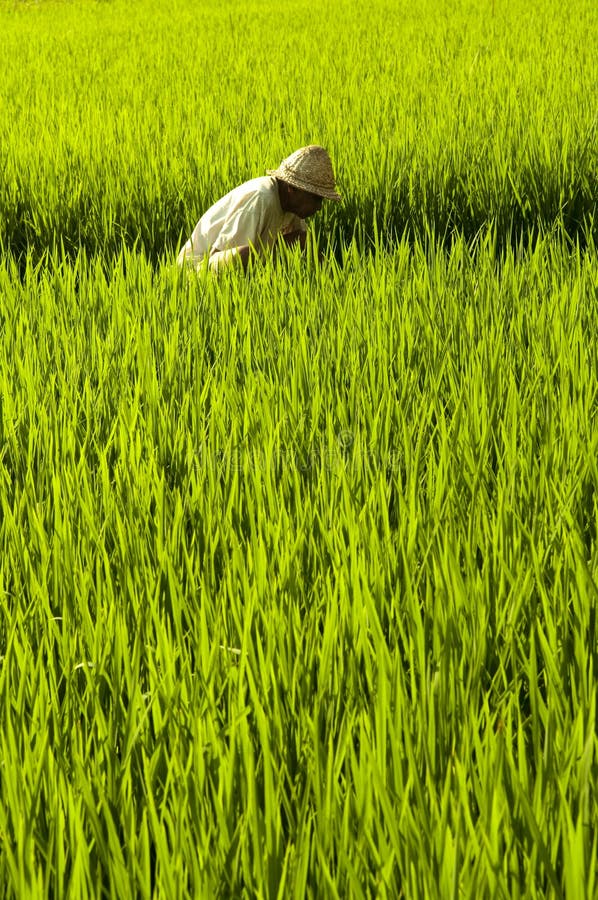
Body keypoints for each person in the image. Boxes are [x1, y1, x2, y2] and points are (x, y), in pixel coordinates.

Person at [177, 145, 340, 273]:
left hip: (235, 265)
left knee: (303, 239)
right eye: (316, 199)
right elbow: (225, 258)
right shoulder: (260, 199)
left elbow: (299, 248)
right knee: (246, 254)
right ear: (293, 188)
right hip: (198, 270)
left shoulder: (292, 205)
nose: (319, 207)